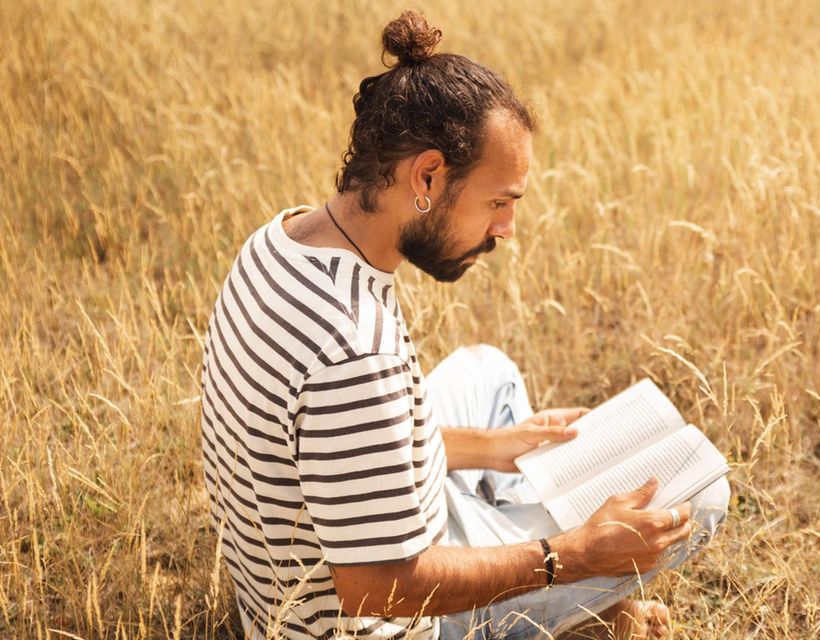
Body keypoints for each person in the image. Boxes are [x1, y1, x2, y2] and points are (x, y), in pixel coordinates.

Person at [198, 10, 729, 640]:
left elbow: (335, 451)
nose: (507, 228)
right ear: (427, 175)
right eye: (499, 202)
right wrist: (573, 557)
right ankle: (568, 608)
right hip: (392, 614)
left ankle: (531, 546)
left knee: (489, 373)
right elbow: (378, 585)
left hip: (339, 545)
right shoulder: (355, 349)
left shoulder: (282, 237)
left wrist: (494, 447)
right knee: (703, 496)